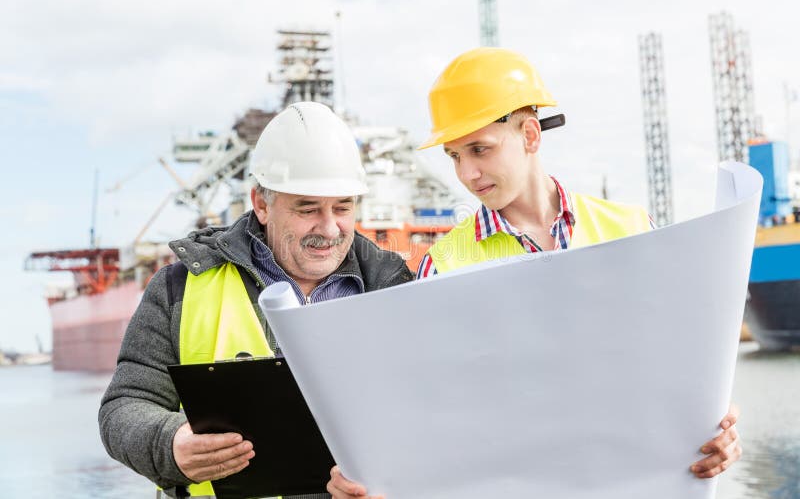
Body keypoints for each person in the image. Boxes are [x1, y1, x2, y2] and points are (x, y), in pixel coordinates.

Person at [326, 48, 742, 498]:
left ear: (529, 134)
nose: (467, 173)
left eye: (480, 149)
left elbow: (684, 366)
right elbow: (417, 412)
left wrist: (717, 430)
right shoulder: (440, 265)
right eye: (454, 156)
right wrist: (363, 475)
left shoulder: (633, 228)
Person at [99, 101, 413, 499]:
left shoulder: (395, 288)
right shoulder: (180, 286)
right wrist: (169, 443)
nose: (330, 227)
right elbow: (125, 405)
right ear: (262, 204)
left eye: (343, 207)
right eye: (308, 208)